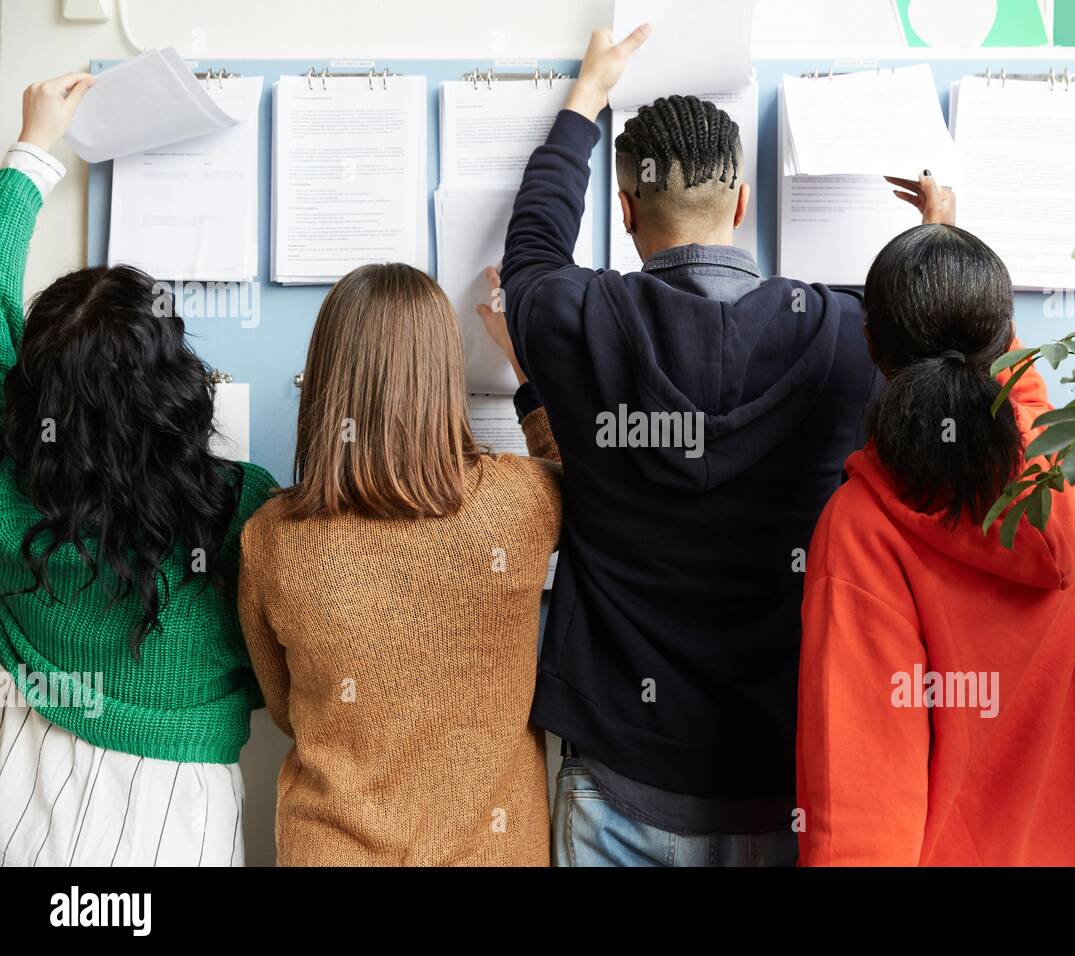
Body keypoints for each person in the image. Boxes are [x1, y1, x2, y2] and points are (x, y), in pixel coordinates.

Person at [498, 25, 941, 867]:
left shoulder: (572, 318)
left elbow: (531, 248)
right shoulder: (848, 337)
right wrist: (943, 239)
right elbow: (935, 344)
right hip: (782, 773)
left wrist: (587, 93)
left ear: (624, 212)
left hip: (620, 769)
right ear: (741, 204)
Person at [0, 74, 277, 866]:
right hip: (178, 807)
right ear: (176, 376)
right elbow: (271, 662)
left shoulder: (9, 478)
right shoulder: (241, 503)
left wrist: (33, 147)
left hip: (27, 780)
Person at [796, 194, 1075, 865]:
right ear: (1001, 338)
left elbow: (859, 813)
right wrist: (948, 258)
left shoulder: (861, 528)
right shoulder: (1065, 468)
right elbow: (1014, 386)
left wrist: (929, 270)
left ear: (869, 347)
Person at [237, 262, 561, 866]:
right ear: (443, 378)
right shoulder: (521, 502)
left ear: (327, 381)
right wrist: (529, 374)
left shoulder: (272, 539)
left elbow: (287, 710)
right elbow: (606, 492)